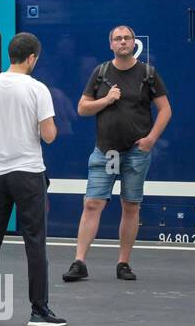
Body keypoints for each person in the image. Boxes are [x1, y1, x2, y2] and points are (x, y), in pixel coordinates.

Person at [64, 26, 172, 284]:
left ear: (134, 43)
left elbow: (165, 110)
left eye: (127, 38)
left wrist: (150, 140)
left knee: (130, 205)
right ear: (110, 44)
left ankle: (123, 263)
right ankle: (79, 262)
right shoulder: (100, 73)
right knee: (92, 203)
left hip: (136, 152)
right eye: (117, 39)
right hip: (105, 151)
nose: (122, 42)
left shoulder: (148, 74)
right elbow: (82, 108)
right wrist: (107, 100)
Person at [0, 32, 65, 326]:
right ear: (32, 58)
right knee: (34, 241)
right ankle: (39, 311)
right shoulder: (37, 89)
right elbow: (49, 135)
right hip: (28, 172)